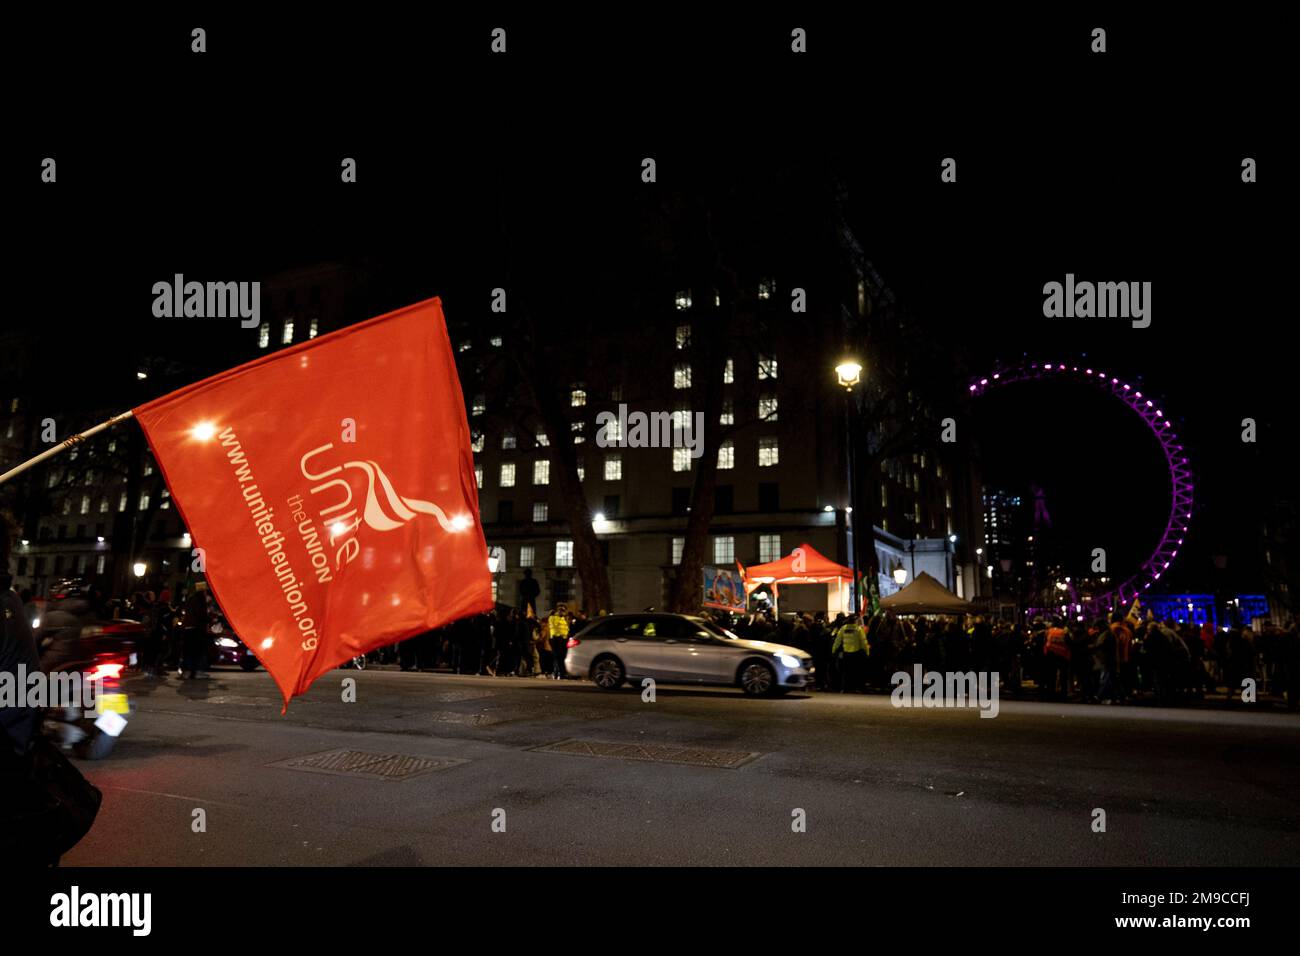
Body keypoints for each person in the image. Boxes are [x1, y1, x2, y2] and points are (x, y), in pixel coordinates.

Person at [831, 614, 869, 693]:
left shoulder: (843, 629)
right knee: (856, 672)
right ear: (854, 621)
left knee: (846, 672)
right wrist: (867, 652)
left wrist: (834, 650)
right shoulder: (858, 629)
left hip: (846, 654)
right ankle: (856, 688)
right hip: (856, 653)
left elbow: (837, 641)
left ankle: (846, 688)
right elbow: (863, 642)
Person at [180, 582, 211, 679]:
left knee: (189, 651)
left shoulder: (191, 598)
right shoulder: (200, 600)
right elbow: (201, 614)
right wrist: (209, 619)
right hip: (197, 628)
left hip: (189, 628)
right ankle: (197, 671)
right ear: (203, 590)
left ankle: (187, 671)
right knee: (198, 651)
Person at [547, 604, 570, 679]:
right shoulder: (553, 617)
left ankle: (556, 672)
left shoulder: (563, 619)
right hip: (556, 639)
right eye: (560, 610)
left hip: (563, 640)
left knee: (560, 657)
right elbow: (554, 626)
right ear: (558, 610)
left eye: (564, 610)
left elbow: (566, 630)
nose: (562, 612)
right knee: (558, 657)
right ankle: (561, 673)